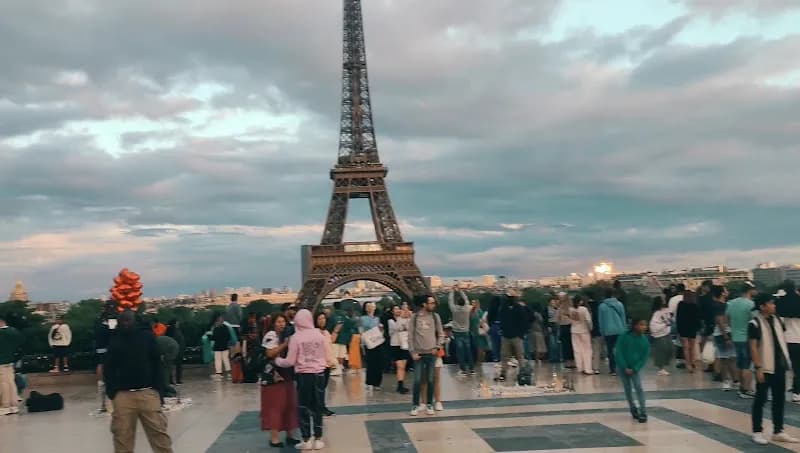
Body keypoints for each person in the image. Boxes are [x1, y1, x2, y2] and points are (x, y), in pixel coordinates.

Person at [104, 310, 173, 453]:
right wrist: (113, 393)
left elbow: (156, 364)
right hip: (123, 396)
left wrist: (158, 391)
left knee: (159, 436)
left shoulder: (147, 337)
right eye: (123, 321)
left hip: (147, 392)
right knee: (122, 438)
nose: (126, 324)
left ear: (135, 321)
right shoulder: (115, 339)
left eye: (128, 320)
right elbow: (109, 367)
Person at [276, 309, 331, 451]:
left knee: (303, 408)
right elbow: (328, 357)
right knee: (318, 406)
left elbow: (289, 361)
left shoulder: (296, 337)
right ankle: (318, 439)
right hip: (319, 374)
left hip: (303, 376)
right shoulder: (320, 335)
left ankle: (306, 439)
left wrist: (278, 361)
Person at [749, 293, 800, 445]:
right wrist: (758, 367)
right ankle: (757, 431)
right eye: (771, 303)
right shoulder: (754, 323)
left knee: (779, 399)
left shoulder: (778, 320)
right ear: (762, 306)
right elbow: (753, 347)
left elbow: (781, 340)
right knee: (761, 399)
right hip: (765, 367)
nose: (774, 305)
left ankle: (778, 431)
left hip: (779, 366)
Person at [260, 314, 301, 448]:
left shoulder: (289, 335)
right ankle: (274, 438)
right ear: (273, 323)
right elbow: (269, 354)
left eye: (283, 321)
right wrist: (284, 345)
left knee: (289, 405)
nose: (281, 324)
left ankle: (290, 434)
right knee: (275, 407)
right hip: (273, 377)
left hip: (287, 375)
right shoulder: (270, 336)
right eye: (278, 321)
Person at [408, 295, 444, 416]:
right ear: (424, 304)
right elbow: (410, 336)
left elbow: (441, 334)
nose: (433, 305)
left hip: (431, 353)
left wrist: (437, 347)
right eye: (431, 303)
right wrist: (412, 352)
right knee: (417, 380)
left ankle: (429, 403)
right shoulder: (415, 317)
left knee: (430, 379)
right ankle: (415, 404)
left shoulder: (435, 316)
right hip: (419, 353)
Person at [616, 317, 650, 423]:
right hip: (623, 367)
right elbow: (619, 352)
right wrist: (624, 366)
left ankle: (643, 411)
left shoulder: (644, 340)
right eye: (641, 324)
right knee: (628, 389)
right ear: (635, 326)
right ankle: (633, 408)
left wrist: (635, 368)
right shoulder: (624, 336)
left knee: (638, 388)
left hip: (634, 368)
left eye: (645, 325)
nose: (644, 327)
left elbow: (643, 357)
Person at [728, 281, 757, 398]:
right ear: (750, 290)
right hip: (747, 338)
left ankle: (741, 387)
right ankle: (747, 389)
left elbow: (727, 318)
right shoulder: (750, 304)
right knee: (748, 365)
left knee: (740, 364)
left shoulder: (731, 303)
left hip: (736, 337)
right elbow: (755, 321)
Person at [496, 289, 531, 382]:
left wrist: (521, 334)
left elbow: (524, 321)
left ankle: (522, 372)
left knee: (519, 355)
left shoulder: (517, 308)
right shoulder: (504, 308)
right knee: (505, 356)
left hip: (515, 336)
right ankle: (503, 373)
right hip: (508, 335)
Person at [775, 280, 800, 401]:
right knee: (798, 368)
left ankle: (781, 389)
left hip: (785, 339)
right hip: (799, 338)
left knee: (785, 367)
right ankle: (797, 391)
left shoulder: (780, 302)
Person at [711, 285, 736, 391]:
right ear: (722, 293)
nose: (727, 292)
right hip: (723, 334)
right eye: (725, 290)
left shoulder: (724, 304)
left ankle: (733, 380)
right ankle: (726, 381)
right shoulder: (720, 305)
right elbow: (720, 321)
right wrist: (726, 336)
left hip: (724, 333)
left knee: (729, 358)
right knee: (725, 359)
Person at [94, 302, 117, 412]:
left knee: (100, 364)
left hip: (99, 347)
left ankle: (100, 383)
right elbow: (113, 333)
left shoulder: (98, 319)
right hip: (109, 347)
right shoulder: (112, 319)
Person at [599, 288, 627, 375]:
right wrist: (624, 329)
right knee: (620, 350)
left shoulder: (602, 306)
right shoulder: (620, 304)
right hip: (620, 330)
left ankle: (613, 369)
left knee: (610, 350)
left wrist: (602, 332)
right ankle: (622, 367)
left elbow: (601, 321)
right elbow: (623, 318)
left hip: (608, 331)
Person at [0, 315, 24, 416]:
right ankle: (13, 405)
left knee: (3, 384)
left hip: (1, 361)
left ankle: (4, 406)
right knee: (11, 383)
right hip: (10, 361)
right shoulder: (14, 332)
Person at [448, 287, 475, 376]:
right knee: (468, 350)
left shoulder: (454, 309)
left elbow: (450, 301)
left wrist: (452, 291)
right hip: (466, 331)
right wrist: (460, 291)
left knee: (460, 352)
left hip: (457, 332)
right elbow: (467, 299)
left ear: (457, 303)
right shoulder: (467, 308)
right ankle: (471, 369)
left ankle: (463, 369)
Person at [359, 301, 384, 391]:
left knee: (378, 363)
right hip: (368, 343)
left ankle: (377, 382)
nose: (370, 308)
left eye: (372, 306)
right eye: (368, 306)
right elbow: (361, 331)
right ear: (365, 308)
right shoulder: (362, 319)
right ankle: (369, 382)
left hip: (378, 341)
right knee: (370, 363)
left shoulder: (377, 318)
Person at [315, 313, 336, 416]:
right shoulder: (314, 333)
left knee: (322, 387)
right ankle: (319, 407)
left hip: (327, 364)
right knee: (319, 388)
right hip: (319, 364)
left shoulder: (326, 332)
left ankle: (321, 406)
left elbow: (330, 346)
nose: (322, 320)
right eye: (319, 318)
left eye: (323, 318)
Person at [676, 291, 701, 373]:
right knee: (692, 346)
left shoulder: (681, 304)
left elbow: (678, 317)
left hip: (683, 327)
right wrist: (698, 328)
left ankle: (688, 364)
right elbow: (698, 318)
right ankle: (692, 361)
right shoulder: (695, 305)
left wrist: (678, 329)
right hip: (692, 327)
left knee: (685, 347)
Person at [388, 305, 411, 394]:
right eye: (396, 309)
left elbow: (409, 328)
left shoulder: (406, 320)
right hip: (395, 344)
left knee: (403, 365)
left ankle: (401, 383)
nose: (398, 311)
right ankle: (400, 384)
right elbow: (396, 328)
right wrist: (401, 319)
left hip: (404, 344)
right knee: (399, 365)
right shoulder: (391, 321)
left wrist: (407, 318)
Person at [649, 296, 673, 375]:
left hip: (667, 332)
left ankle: (664, 365)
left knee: (669, 349)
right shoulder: (656, 313)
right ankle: (661, 368)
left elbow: (669, 319)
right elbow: (653, 326)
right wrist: (665, 325)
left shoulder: (667, 310)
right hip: (659, 334)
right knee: (661, 350)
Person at [570, 295, 593, 375]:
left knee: (577, 350)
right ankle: (588, 368)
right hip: (584, 331)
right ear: (580, 301)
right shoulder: (584, 309)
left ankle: (580, 367)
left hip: (574, 330)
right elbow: (588, 320)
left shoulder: (570, 309)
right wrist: (590, 328)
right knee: (587, 350)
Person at [327, 302, 352, 374]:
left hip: (335, 338)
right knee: (342, 355)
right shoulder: (346, 316)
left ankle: (336, 370)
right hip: (344, 339)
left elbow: (329, 328)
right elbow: (350, 326)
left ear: (334, 307)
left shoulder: (332, 316)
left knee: (335, 355)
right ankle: (341, 367)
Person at [211, 314, 232, 381]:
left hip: (217, 346)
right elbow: (228, 336)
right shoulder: (226, 327)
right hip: (225, 346)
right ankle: (229, 374)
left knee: (218, 360)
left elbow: (214, 337)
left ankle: (219, 374)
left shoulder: (216, 328)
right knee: (226, 360)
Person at [470, 300, 490, 370]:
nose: (473, 304)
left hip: (479, 331)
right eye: (472, 303)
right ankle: (479, 361)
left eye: (474, 303)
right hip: (475, 332)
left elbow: (482, 320)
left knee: (480, 347)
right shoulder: (472, 312)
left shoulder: (478, 311)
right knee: (478, 347)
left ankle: (479, 361)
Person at [557, 292, 575, 368]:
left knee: (565, 345)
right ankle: (573, 362)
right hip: (571, 326)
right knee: (571, 345)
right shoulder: (571, 307)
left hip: (563, 327)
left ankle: (567, 362)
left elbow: (558, 319)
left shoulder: (560, 308)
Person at [165, 320, 185, 385]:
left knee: (171, 365)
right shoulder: (175, 331)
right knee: (177, 365)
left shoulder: (171, 330)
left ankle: (171, 380)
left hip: (175, 349)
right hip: (176, 349)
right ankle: (177, 380)